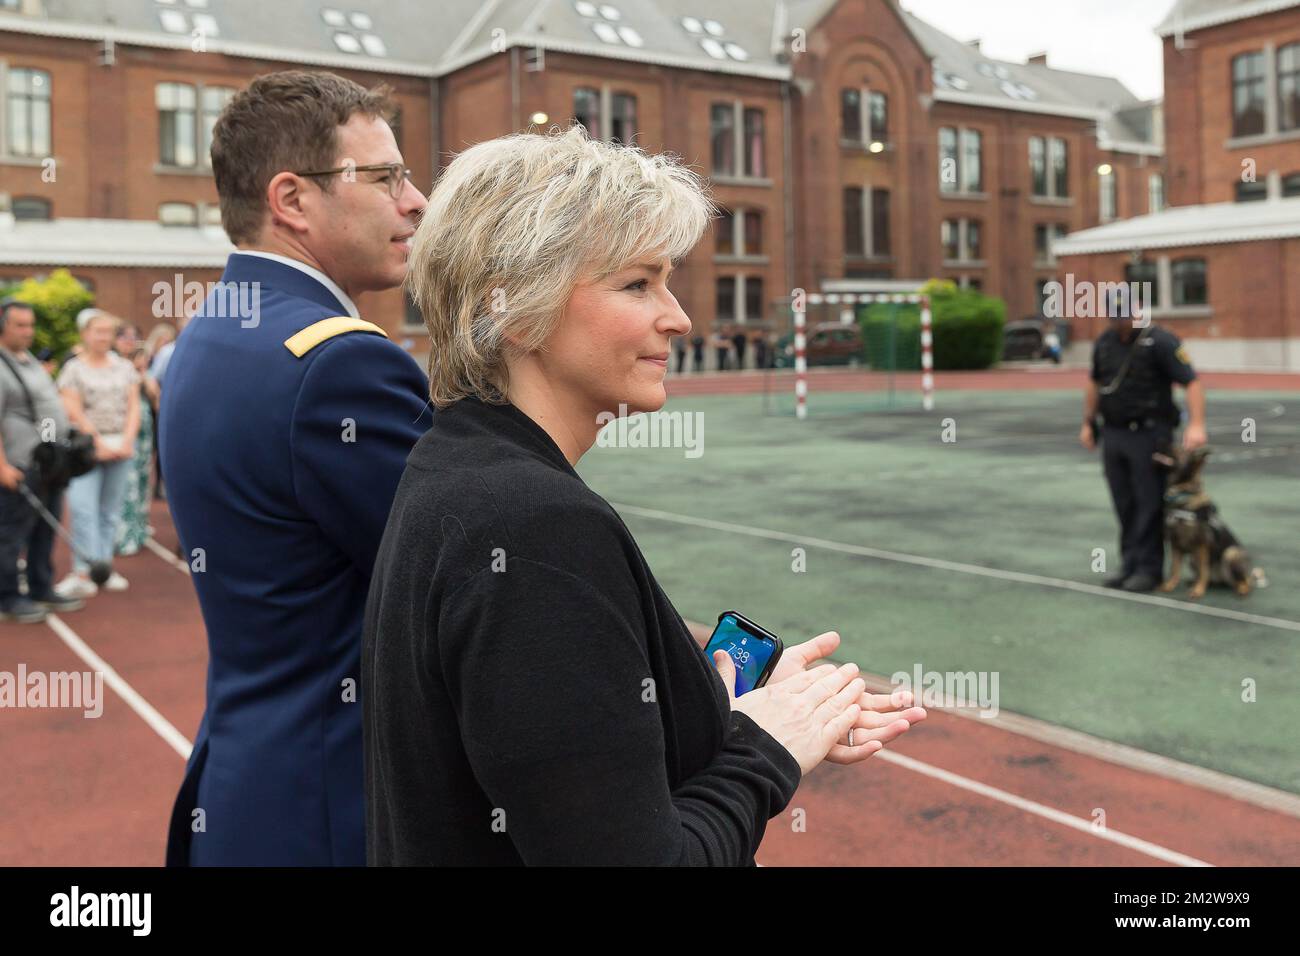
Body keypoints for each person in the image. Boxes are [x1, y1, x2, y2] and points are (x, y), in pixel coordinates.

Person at [363, 127, 925, 866]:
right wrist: (767, 749)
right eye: (638, 283)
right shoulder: (535, 525)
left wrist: (715, 705)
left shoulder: (451, 466)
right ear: (519, 307)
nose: (678, 316)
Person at [159, 70, 430, 866]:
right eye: (385, 177)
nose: (414, 201)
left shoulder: (212, 334)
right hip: (334, 809)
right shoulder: (338, 365)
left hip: (251, 779)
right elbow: (477, 581)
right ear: (292, 199)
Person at [1080, 309, 1206, 592]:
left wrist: (1196, 424)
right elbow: (1095, 382)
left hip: (1150, 435)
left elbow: (1191, 381)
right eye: (1114, 316)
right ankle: (1129, 564)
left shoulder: (1161, 341)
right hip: (1114, 433)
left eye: (1124, 315)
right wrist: (1088, 422)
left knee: (1148, 503)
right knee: (1124, 502)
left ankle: (1149, 569)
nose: (1119, 321)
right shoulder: (1104, 342)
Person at [0, 299, 84, 622]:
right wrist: (3, 466)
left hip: (47, 464)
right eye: (19, 325)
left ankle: (41, 586)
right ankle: (7, 596)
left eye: (30, 325)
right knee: (11, 533)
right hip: (19, 465)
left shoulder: (30, 361)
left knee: (44, 530)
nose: (28, 331)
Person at [54, 308, 139, 598]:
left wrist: (128, 440)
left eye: (108, 332)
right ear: (85, 335)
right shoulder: (73, 369)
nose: (104, 337)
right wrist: (98, 442)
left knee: (110, 511)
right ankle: (82, 569)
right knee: (83, 510)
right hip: (85, 451)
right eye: (98, 331)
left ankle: (104, 568)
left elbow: (133, 407)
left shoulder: (124, 368)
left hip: (121, 446)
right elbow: (73, 409)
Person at [115, 346, 154, 556]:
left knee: (142, 484)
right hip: (129, 438)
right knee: (127, 488)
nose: (144, 361)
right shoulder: (123, 375)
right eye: (141, 357)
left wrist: (145, 379)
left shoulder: (146, 377)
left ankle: (139, 530)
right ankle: (124, 536)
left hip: (145, 438)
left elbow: (156, 399)